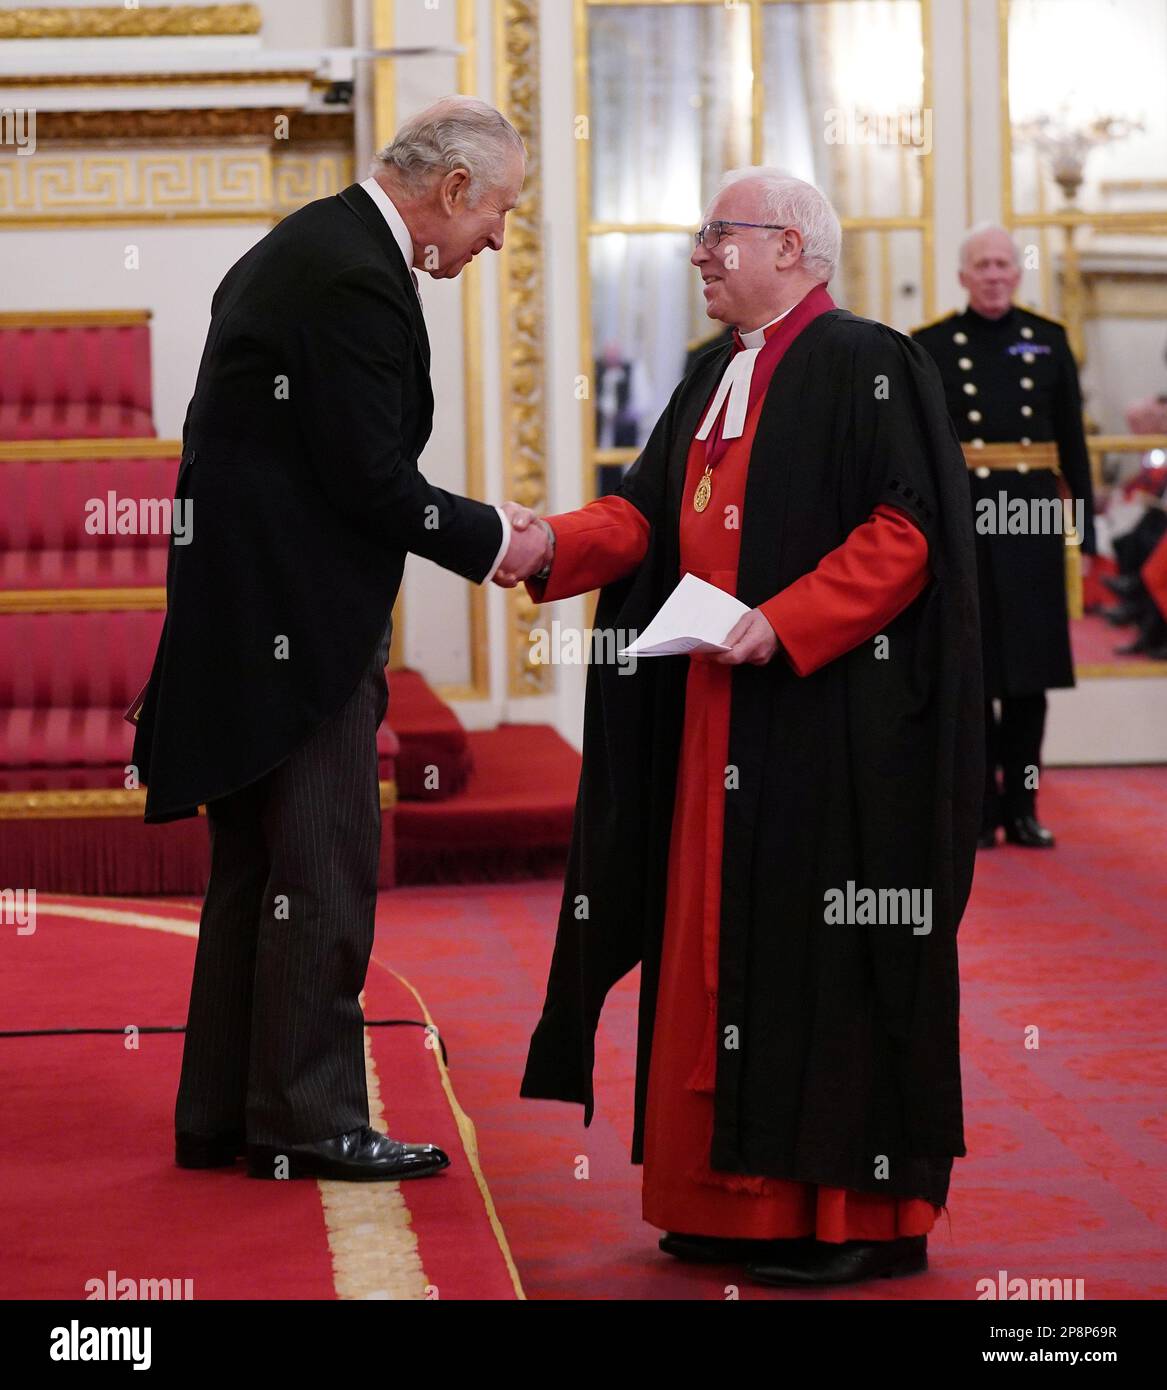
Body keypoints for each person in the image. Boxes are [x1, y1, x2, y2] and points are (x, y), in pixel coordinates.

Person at [497, 169, 982, 1287]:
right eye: (701, 234)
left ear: (794, 247)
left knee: (820, 963)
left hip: (831, 725)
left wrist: (783, 622)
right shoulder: (711, 374)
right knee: (711, 958)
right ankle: (721, 1203)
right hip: (711, 723)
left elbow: (907, 532)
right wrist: (545, 546)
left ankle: (849, 1216)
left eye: (721, 234)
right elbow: (645, 514)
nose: (700, 253)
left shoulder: (872, 359)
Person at [131, 97, 548, 1182]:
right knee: (319, 873)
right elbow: (369, 483)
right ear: (453, 190)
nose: (497, 238)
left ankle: (224, 1112)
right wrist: (498, 538)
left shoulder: (302, 245)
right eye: (498, 212)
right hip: (298, 638)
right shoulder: (357, 273)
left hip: (241, 625)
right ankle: (312, 1120)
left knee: (255, 876)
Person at [912, 225, 1095, 849]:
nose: (993, 275)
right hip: (967, 522)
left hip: (1033, 522)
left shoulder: (1048, 340)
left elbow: (1072, 440)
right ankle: (981, 808)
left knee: (1031, 678)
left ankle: (1023, 806)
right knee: (977, 672)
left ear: (1018, 273)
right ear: (962, 276)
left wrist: (1086, 528)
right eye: (981, 265)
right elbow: (920, 451)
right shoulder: (931, 345)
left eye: (1003, 265)